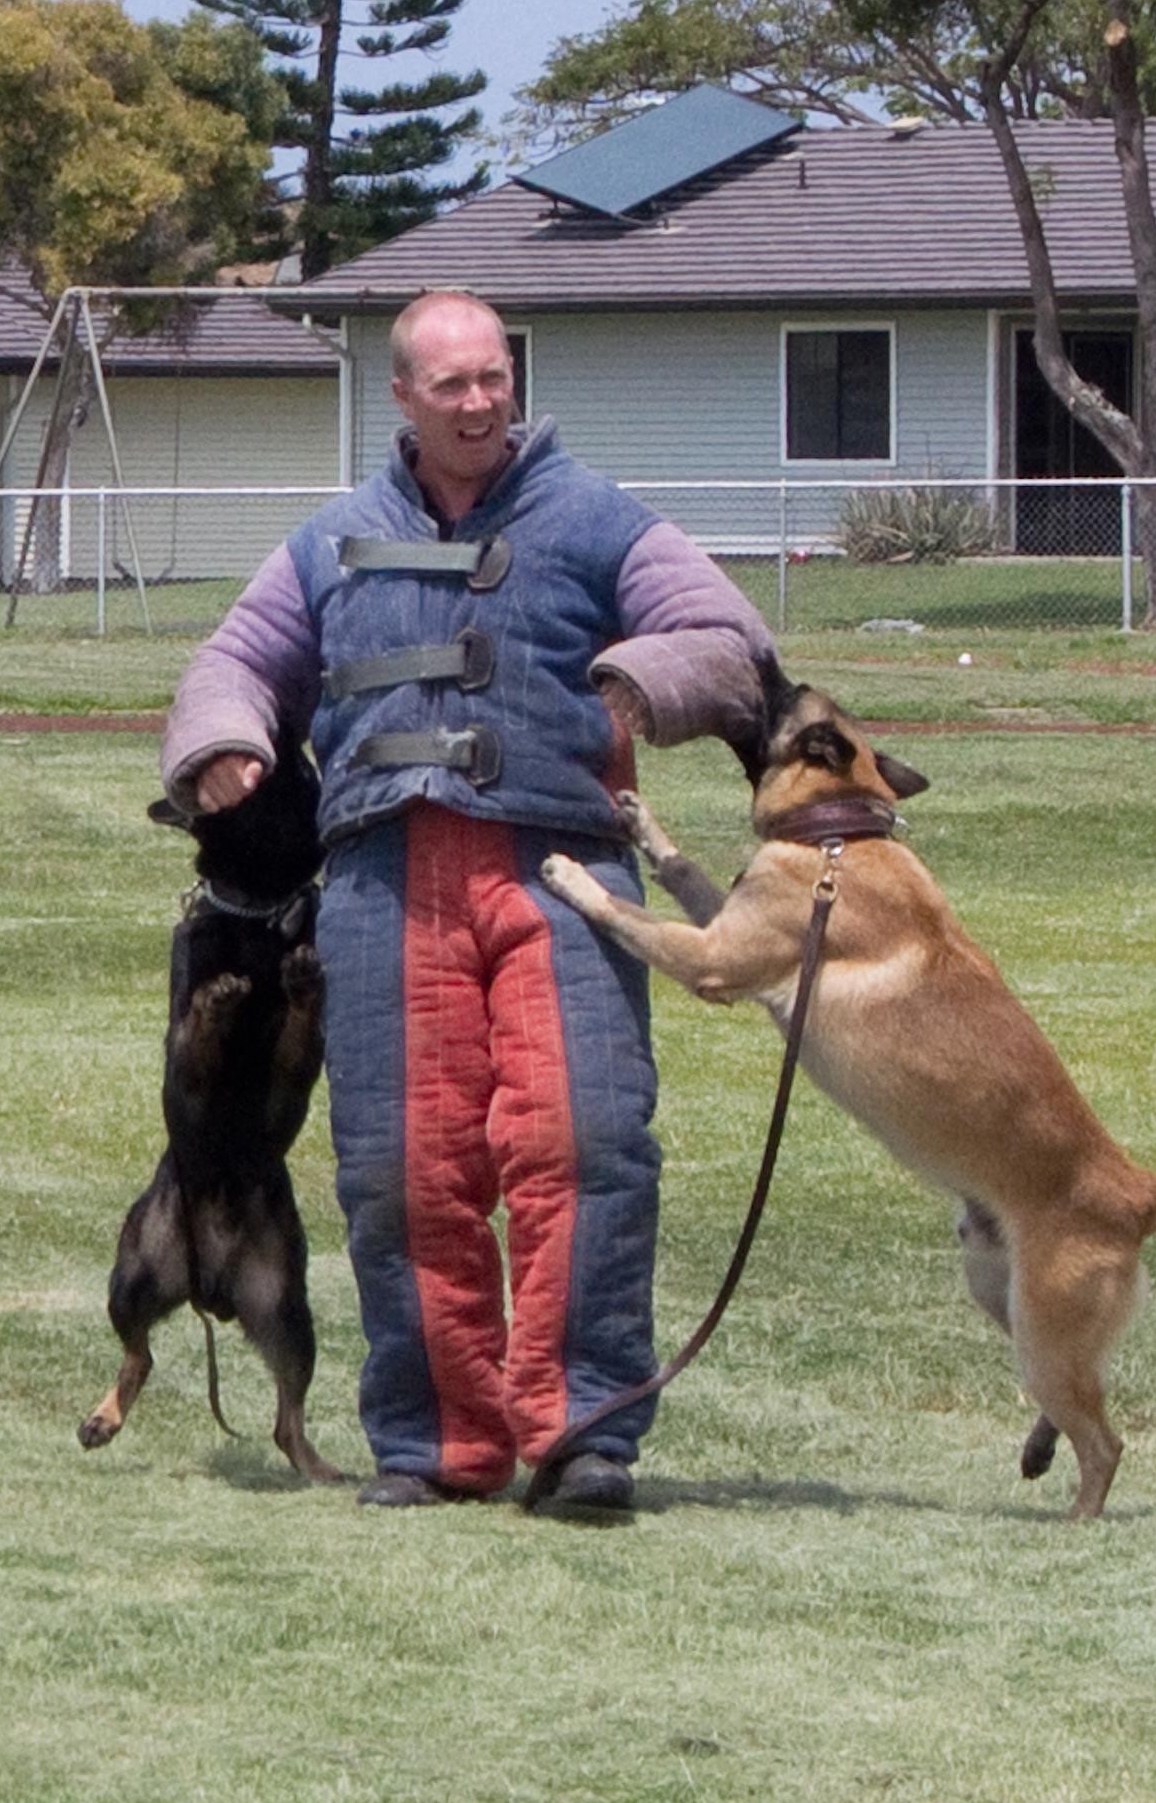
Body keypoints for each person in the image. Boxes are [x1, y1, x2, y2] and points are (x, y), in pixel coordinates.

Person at [164, 291, 770, 1521]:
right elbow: (235, 660)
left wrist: (647, 674)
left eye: (496, 376)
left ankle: (583, 1435)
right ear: (403, 396)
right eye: (453, 384)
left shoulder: (598, 517)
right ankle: (439, 1441)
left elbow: (729, 633)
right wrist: (224, 738)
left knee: (585, 1142)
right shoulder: (332, 538)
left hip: (563, 872)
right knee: (402, 1166)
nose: (482, 401)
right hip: (384, 881)